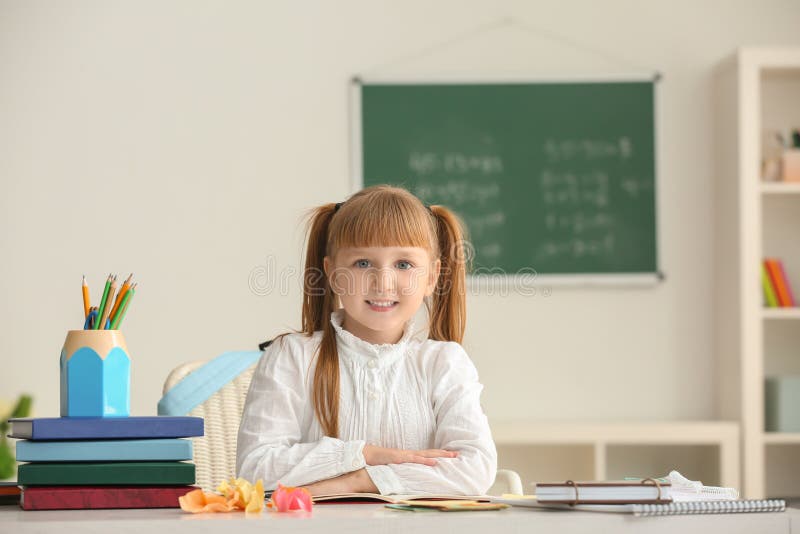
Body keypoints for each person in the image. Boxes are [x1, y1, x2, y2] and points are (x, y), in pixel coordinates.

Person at [236, 185, 496, 496]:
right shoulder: (293, 356)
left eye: (403, 264)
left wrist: (360, 481)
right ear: (332, 274)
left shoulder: (444, 363)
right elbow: (255, 470)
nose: (383, 282)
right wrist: (364, 454)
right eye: (362, 263)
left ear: (431, 277)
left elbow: (475, 470)